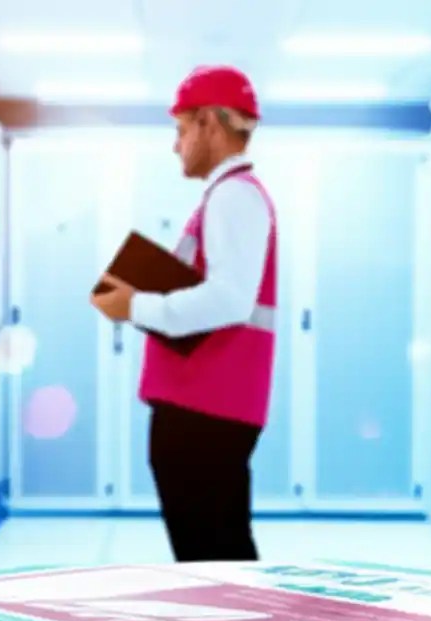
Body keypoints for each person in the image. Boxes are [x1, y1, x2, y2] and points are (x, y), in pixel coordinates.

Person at [90, 65, 277, 563]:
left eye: (180, 130)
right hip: (206, 406)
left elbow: (230, 298)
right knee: (214, 552)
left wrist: (136, 304)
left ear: (209, 126)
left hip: (207, 410)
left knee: (214, 556)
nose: (176, 145)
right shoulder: (227, 197)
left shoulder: (235, 196)